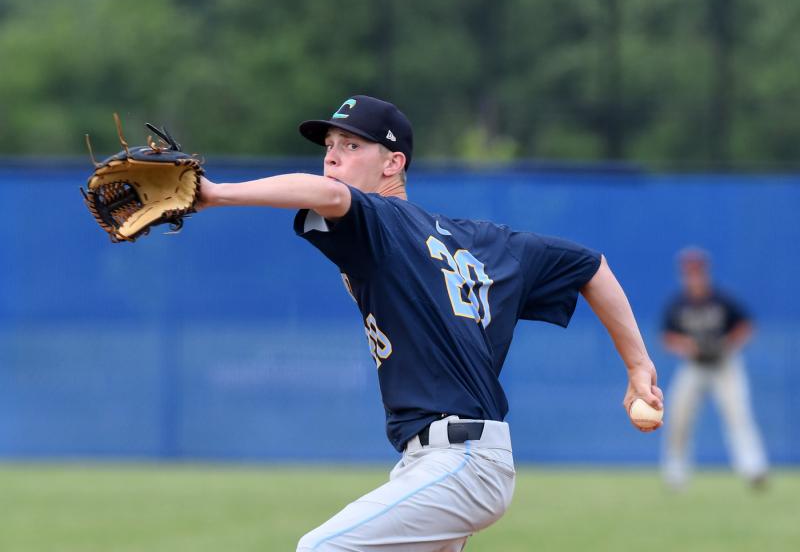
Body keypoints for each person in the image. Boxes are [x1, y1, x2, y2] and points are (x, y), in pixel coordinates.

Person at [197, 95, 663, 551]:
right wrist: (638, 365)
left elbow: (331, 195)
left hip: (460, 459)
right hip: (444, 462)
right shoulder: (479, 242)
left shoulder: (381, 219)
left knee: (322, 548)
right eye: (329, 146)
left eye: (351, 145)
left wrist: (216, 193)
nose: (333, 156)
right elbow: (590, 266)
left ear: (392, 163)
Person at [661, 247, 768, 490]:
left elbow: (746, 326)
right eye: (689, 271)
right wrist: (686, 345)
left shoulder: (722, 299)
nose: (694, 276)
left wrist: (728, 344)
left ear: (705, 272)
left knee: (738, 415)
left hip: (725, 365)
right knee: (679, 417)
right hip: (694, 366)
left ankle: (753, 469)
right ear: (683, 274)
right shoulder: (678, 303)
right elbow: (666, 337)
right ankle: (675, 472)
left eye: (697, 271)